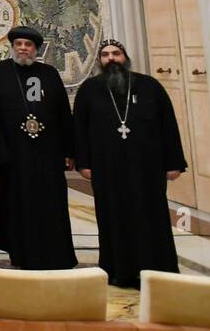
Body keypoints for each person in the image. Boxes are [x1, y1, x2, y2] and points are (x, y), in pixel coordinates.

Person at [73, 39, 186, 288]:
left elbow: (168, 125)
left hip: (147, 168)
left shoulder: (150, 86)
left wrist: (174, 162)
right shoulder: (89, 89)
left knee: (151, 217)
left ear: (125, 56)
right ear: (100, 60)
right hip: (107, 168)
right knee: (113, 218)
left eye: (116, 53)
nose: (111, 58)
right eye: (105, 55)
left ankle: (158, 269)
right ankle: (118, 271)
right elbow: (79, 129)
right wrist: (83, 162)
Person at [0, 26, 77, 270]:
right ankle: (20, 252)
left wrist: (69, 150)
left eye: (28, 45)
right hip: (13, 153)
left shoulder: (49, 73)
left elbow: (63, 113)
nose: (23, 48)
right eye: (19, 44)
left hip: (47, 151)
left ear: (36, 49)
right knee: (18, 203)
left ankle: (56, 253)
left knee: (51, 202)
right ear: (12, 47)